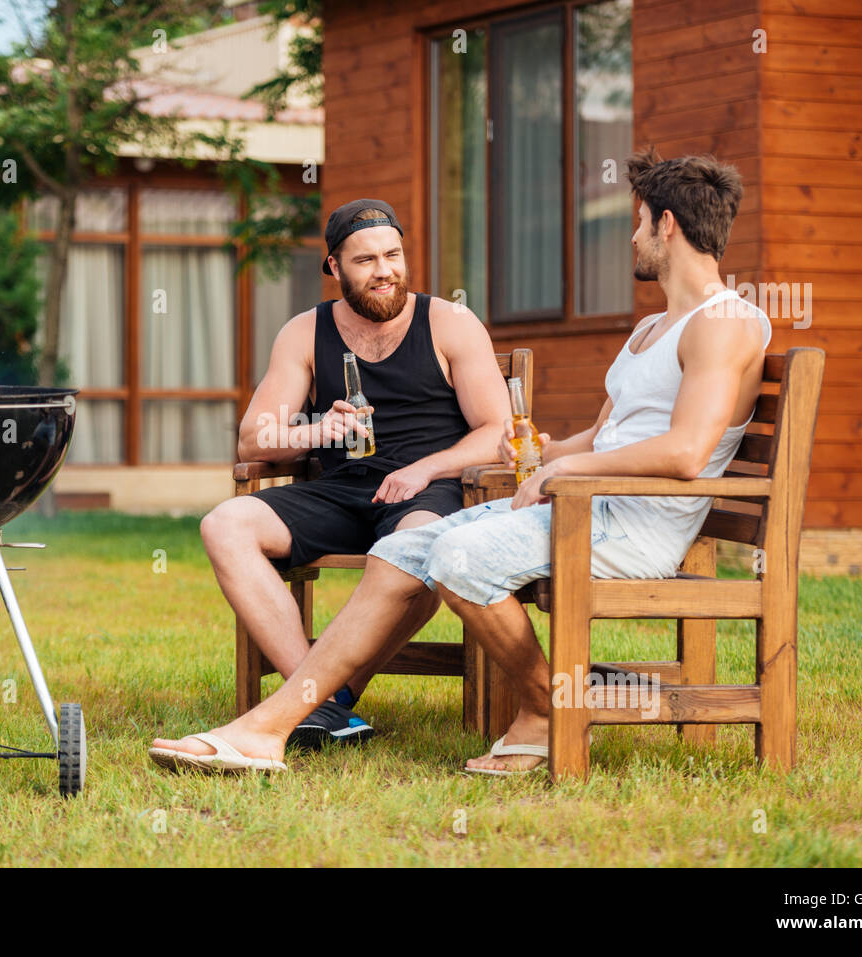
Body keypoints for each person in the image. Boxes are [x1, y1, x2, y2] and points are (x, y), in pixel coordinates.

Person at [151, 148, 771, 775]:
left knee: (451, 554)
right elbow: (601, 438)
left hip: (631, 523)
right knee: (400, 555)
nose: (633, 236)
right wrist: (546, 452)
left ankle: (541, 708)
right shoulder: (652, 330)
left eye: (639, 222)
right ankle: (291, 721)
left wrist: (561, 472)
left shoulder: (723, 322)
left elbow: (688, 453)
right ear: (336, 265)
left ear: (666, 224)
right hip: (589, 505)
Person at [197, 198, 509, 750]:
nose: (384, 270)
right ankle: (323, 703)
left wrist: (424, 469)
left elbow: (497, 433)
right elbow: (254, 439)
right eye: (365, 260)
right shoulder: (304, 331)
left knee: (418, 546)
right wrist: (318, 431)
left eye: (393, 254)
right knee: (226, 524)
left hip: (427, 491)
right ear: (334, 267)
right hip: (341, 490)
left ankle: (310, 703)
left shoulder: (450, 322)